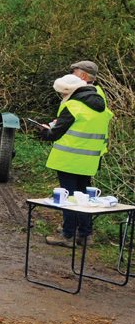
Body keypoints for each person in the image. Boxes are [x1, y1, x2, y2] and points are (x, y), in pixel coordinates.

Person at [39, 72, 112, 247]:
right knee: (84, 198)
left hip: (68, 159)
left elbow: (54, 134)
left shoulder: (73, 106)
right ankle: (85, 235)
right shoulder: (102, 108)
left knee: (68, 198)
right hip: (90, 160)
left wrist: (44, 131)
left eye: (62, 93)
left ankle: (67, 235)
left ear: (68, 91)